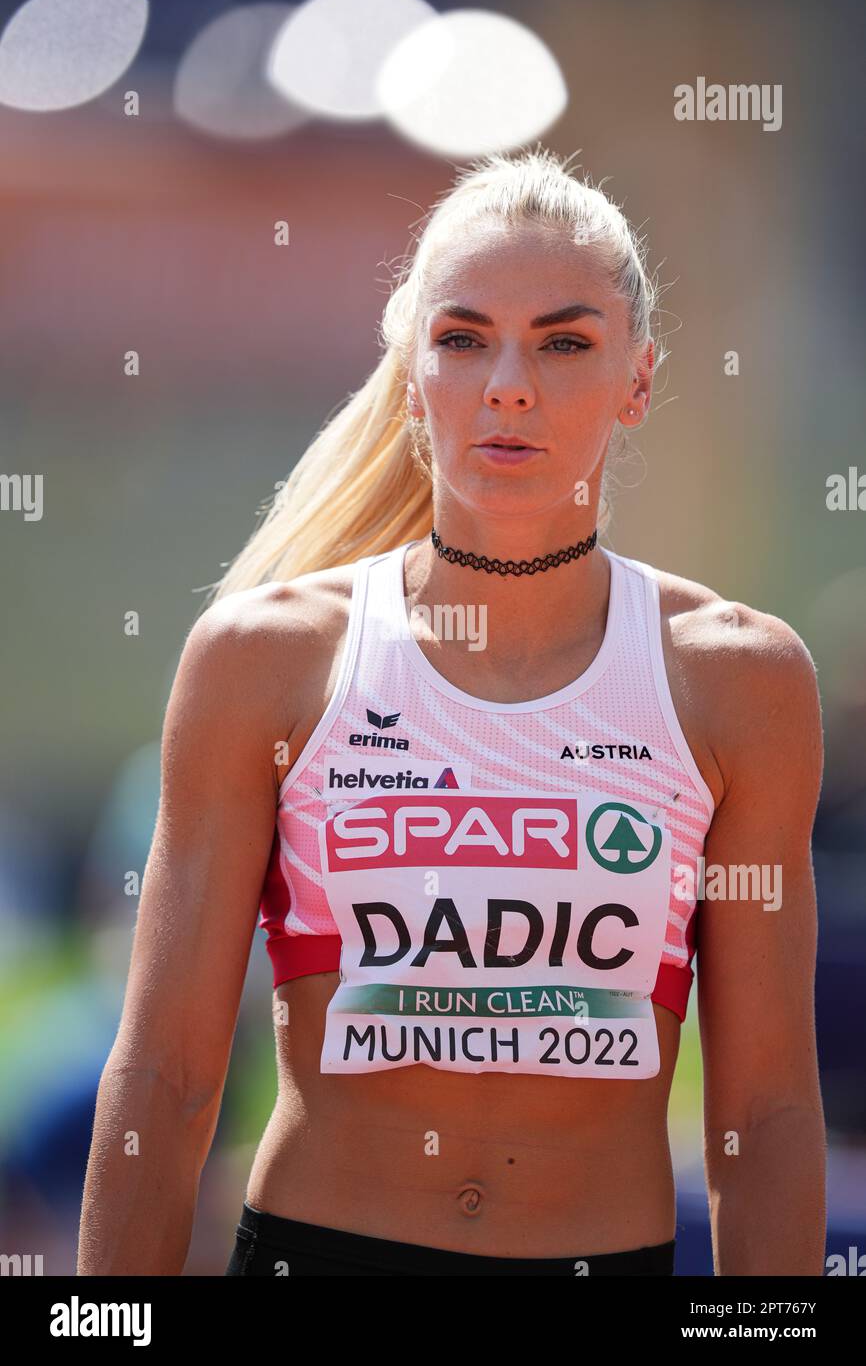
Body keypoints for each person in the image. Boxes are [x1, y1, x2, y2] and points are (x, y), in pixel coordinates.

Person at [77, 147, 826, 1277]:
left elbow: (763, 1113)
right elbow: (164, 1078)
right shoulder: (264, 658)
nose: (507, 385)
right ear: (413, 372)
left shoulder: (737, 678)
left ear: (638, 379)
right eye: (463, 337)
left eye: (563, 342)